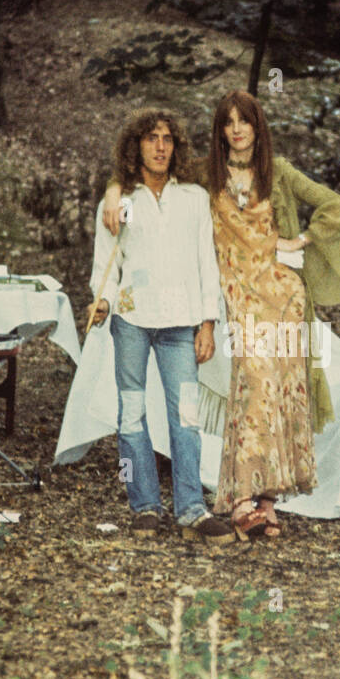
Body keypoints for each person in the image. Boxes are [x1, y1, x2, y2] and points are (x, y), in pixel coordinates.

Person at [102, 91, 340, 538]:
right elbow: (150, 174)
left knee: (279, 397)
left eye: (245, 121)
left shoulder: (280, 173)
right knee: (251, 393)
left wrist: (302, 241)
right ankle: (238, 499)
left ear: (258, 127)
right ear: (220, 130)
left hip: (282, 298)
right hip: (237, 300)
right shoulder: (205, 172)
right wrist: (113, 191)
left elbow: (339, 207)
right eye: (228, 122)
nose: (236, 129)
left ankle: (267, 502)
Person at [87, 108, 235, 544]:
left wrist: (207, 323)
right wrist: (103, 302)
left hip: (180, 324)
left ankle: (191, 508)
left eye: (167, 139)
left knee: (186, 415)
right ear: (136, 146)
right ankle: (145, 505)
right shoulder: (119, 204)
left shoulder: (192, 199)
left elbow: (208, 265)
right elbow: (106, 266)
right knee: (132, 413)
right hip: (131, 320)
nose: (160, 146)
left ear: (176, 147)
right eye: (151, 138)